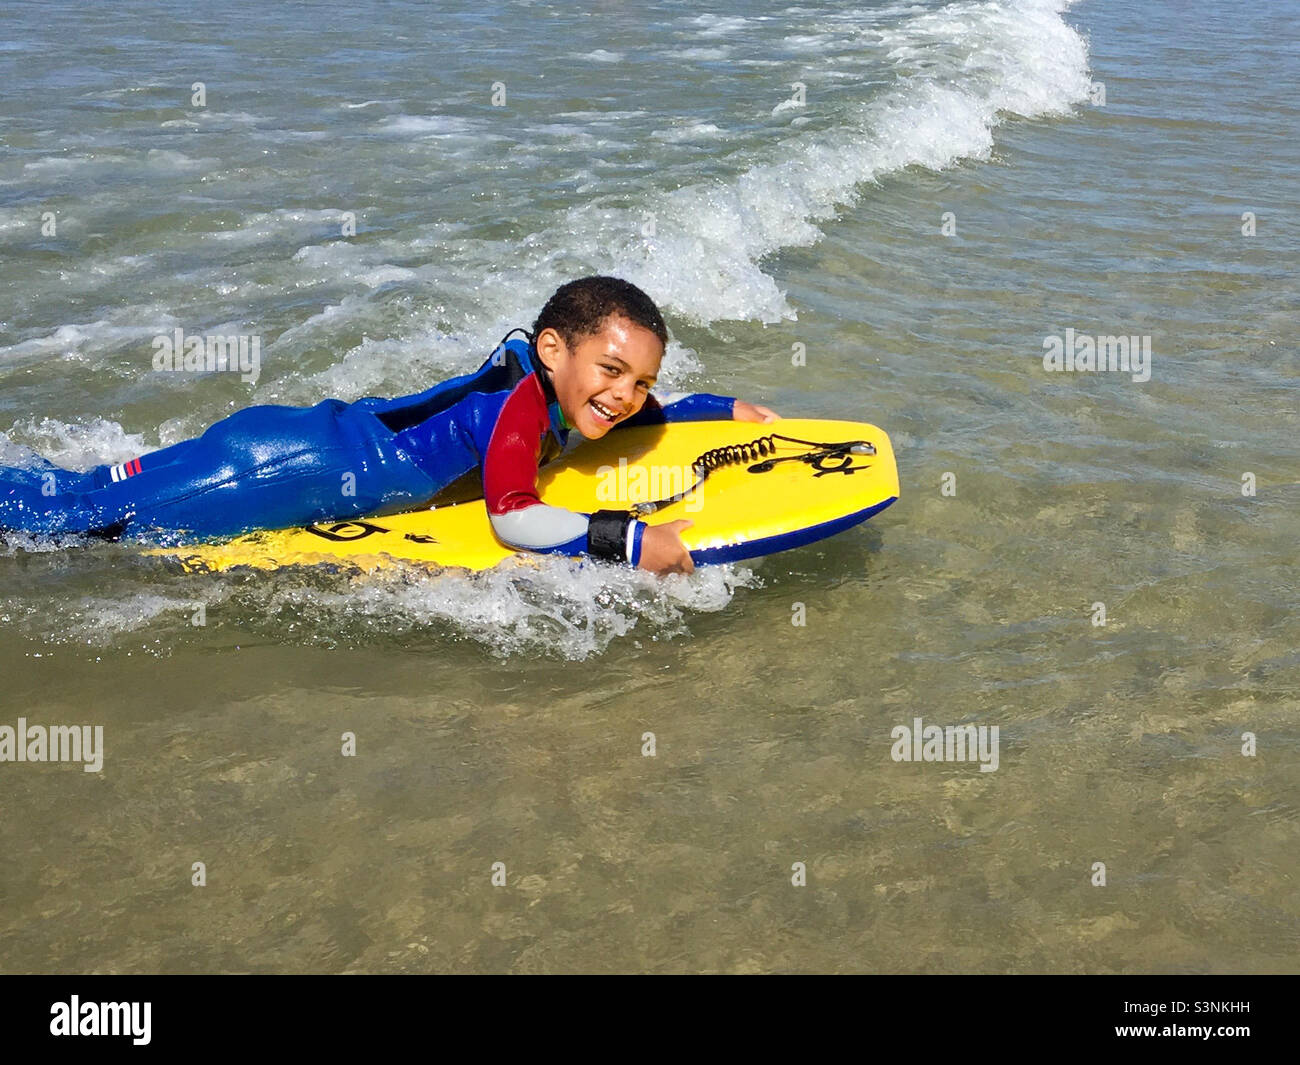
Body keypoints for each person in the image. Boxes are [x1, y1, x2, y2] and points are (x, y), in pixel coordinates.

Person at [0, 276, 776, 574]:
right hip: (271, 470)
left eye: (644, 382)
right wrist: (634, 541)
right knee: (77, 519)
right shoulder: (518, 410)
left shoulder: (559, 396)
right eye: (612, 372)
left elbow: (621, 415)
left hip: (299, 441)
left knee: (79, 498)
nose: (626, 395)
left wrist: (720, 409)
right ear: (552, 351)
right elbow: (514, 519)